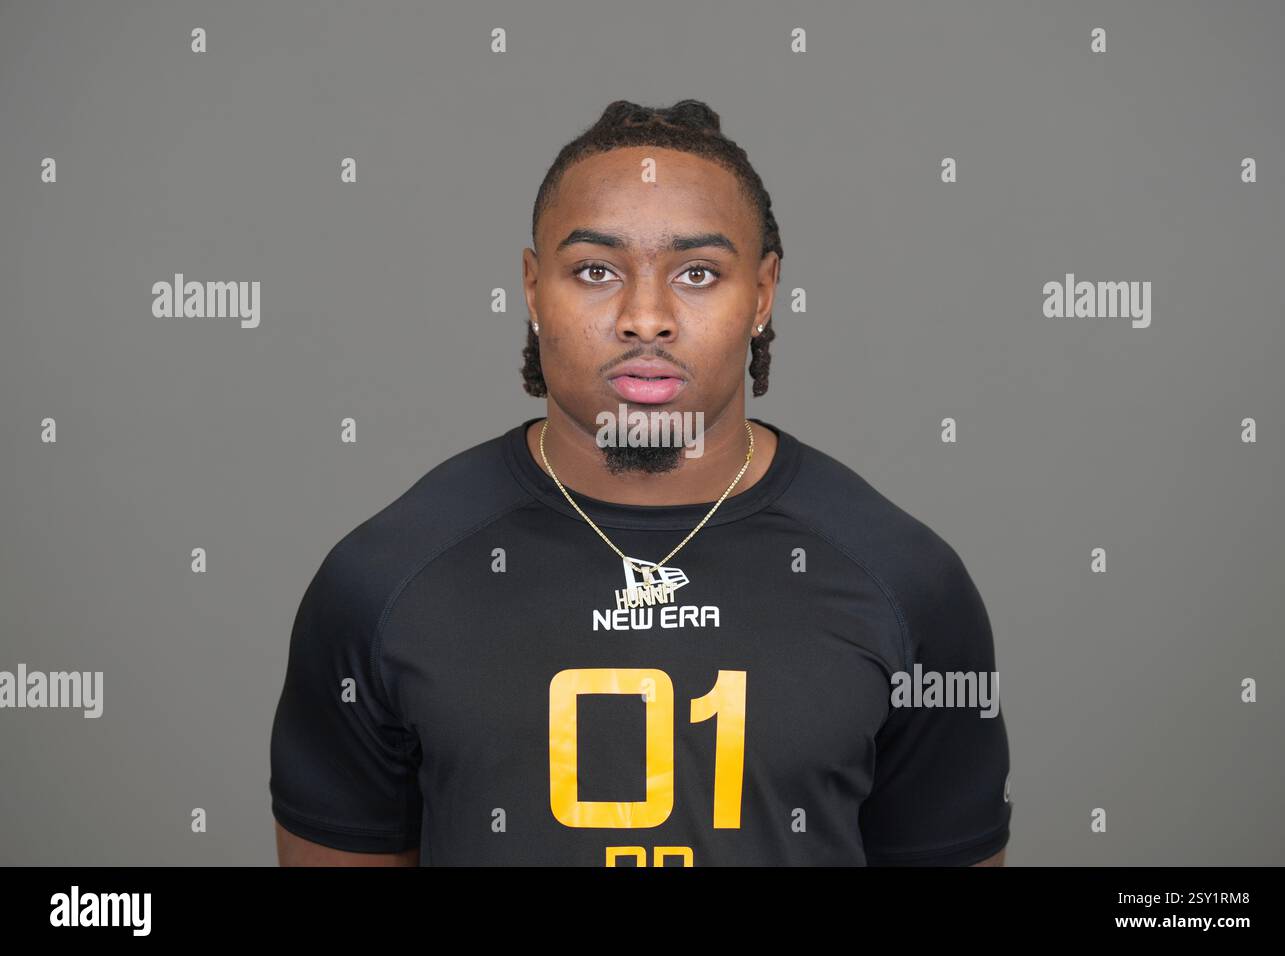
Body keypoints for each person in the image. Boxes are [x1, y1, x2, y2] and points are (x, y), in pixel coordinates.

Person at [269, 99, 1011, 866]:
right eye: (595, 270)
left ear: (762, 293)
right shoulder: (383, 580)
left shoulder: (905, 581)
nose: (646, 317)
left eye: (698, 272)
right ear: (531, 287)